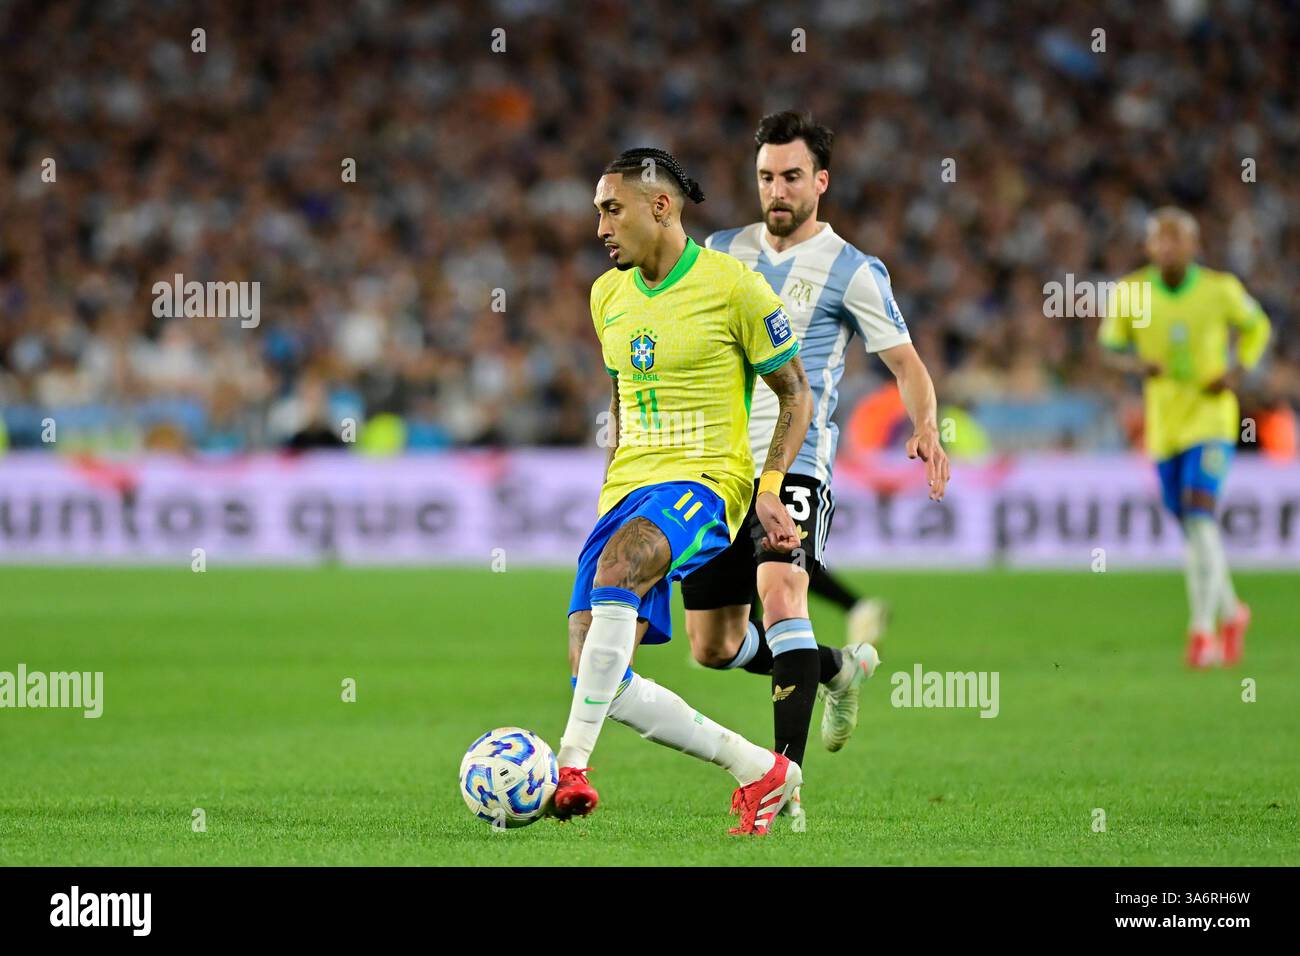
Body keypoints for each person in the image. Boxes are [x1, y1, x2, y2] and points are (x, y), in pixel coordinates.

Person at [681, 111, 950, 822]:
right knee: (713, 647)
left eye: (793, 176)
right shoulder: (718, 251)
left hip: (796, 465)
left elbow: (907, 363)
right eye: (767, 175)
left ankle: (783, 785)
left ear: (821, 181)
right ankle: (833, 667)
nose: (778, 188)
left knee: (783, 596)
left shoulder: (852, 270)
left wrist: (925, 424)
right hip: (717, 471)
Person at [552, 147, 815, 835]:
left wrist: (770, 485)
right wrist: (612, 493)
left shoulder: (734, 287)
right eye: (597, 212)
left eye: (612, 210)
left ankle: (568, 769)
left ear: (660, 206)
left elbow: (796, 393)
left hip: (706, 480)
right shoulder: (606, 295)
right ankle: (759, 768)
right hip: (628, 491)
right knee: (595, 678)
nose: (600, 227)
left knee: (622, 571)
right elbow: (621, 400)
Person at [1099, 207, 1271, 667]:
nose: (1167, 248)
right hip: (1165, 425)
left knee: (1199, 514)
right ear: (1149, 246)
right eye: (1160, 239)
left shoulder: (1221, 290)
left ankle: (1201, 632)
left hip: (1212, 419)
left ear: (1194, 247)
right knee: (1194, 528)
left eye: (1177, 240)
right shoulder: (1132, 291)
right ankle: (1233, 613)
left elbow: (1258, 327)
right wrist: (1138, 366)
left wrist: (1238, 369)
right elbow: (1109, 349)